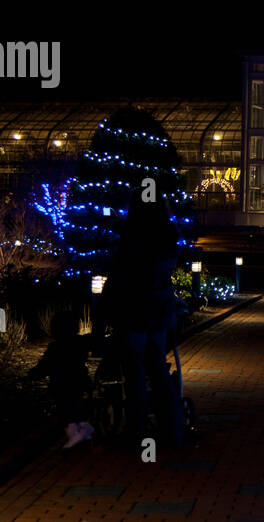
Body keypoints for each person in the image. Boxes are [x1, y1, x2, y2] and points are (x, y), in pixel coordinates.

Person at [104, 188, 184, 449]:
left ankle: (136, 431)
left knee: (135, 371)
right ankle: (173, 428)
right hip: (159, 310)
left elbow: (120, 277)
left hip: (134, 310)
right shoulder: (167, 234)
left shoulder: (131, 238)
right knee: (158, 367)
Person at [28, 311, 94, 449]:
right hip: (79, 381)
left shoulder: (55, 348)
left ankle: (75, 434)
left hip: (61, 384)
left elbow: (45, 365)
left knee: (66, 411)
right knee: (76, 406)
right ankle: (82, 430)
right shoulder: (80, 343)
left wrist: (34, 374)